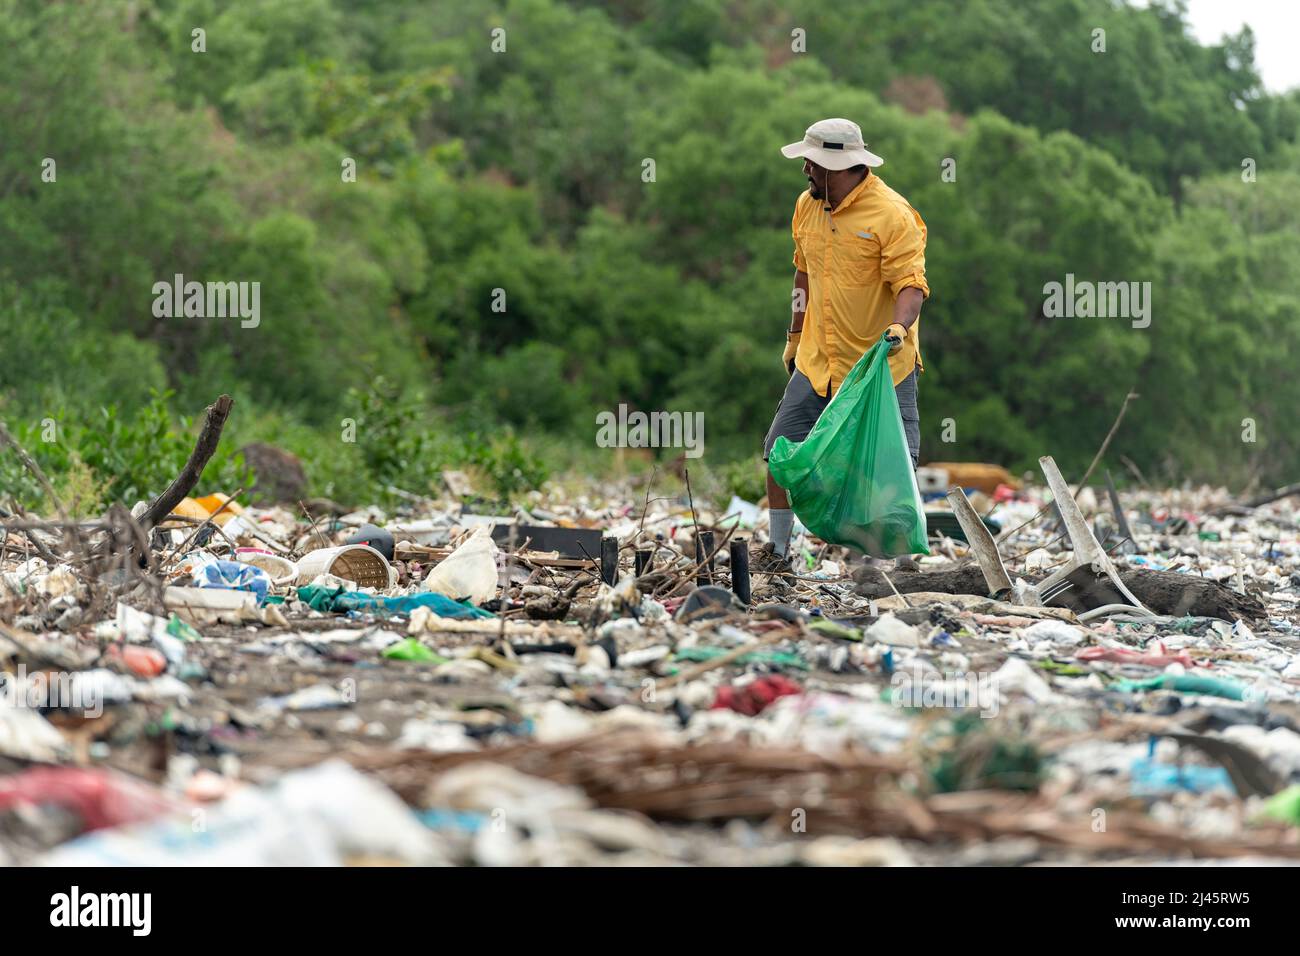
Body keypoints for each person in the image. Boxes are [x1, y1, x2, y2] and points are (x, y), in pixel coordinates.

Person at [755, 118, 930, 572]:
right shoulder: (806, 207)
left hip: (877, 366)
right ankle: (776, 553)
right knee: (779, 450)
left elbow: (911, 285)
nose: (806, 170)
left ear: (843, 167)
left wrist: (899, 329)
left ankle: (899, 562)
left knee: (890, 467)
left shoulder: (892, 214)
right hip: (818, 360)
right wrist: (794, 336)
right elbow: (803, 274)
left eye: (814, 164)